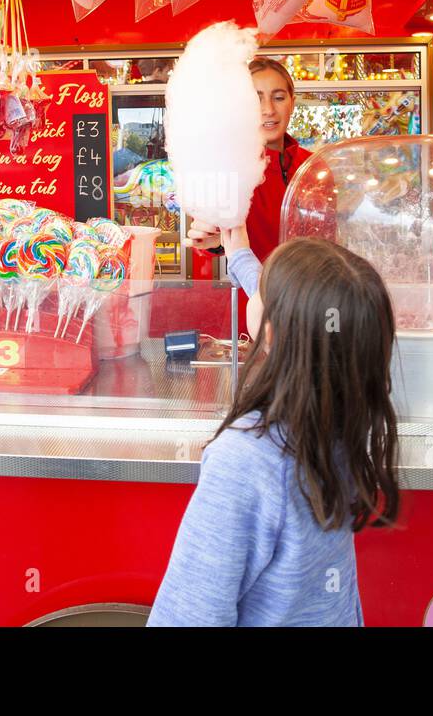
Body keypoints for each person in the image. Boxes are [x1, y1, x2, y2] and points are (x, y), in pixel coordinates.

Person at [147, 236, 400, 626]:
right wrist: (238, 250)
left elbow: (192, 612)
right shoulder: (343, 418)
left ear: (272, 332)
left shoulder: (247, 459)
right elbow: (284, 303)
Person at [186, 57, 312, 264]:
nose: (268, 109)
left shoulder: (313, 166)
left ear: (292, 103)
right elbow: (213, 236)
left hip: (315, 292)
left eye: (279, 97)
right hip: (255, 293)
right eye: (256, 99)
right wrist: (216, 240)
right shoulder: (228, 169)